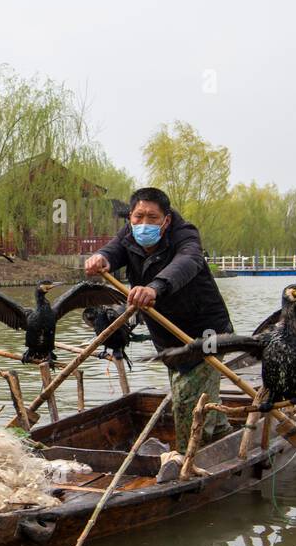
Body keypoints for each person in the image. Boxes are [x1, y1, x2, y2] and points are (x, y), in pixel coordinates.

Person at [84, 187, 233, 445]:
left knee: (188, 402)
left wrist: (155, 287)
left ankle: (188, 460)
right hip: (167, 337)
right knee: (200, 398)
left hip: (207, 333)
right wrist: (101, 257)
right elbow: (113, 251)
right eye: (138, 217)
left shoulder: (185, 235)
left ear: (166, 220)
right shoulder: (128, 235)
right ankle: (224, 441)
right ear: (130, 217)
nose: (144, 223)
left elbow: (188, 261)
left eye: (152, 218)